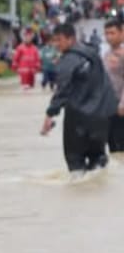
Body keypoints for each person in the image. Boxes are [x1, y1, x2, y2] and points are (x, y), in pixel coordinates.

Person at [41, 21, 118, 173]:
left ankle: (79, 194)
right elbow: (106, 83)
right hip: (100, 118)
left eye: (59, 40)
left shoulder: (68, 60)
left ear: (71, 39)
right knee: (99, 160)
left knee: (75, 162)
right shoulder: (93, 54)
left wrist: (50, 115)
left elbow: (62, 91)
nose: (56, 44)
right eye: (54, 40)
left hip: (78, 120)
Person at [102, 16, 124, 153]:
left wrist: (123, 103)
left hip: (121, 108)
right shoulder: (106, 53)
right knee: (113, 147)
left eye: (112, 33)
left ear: (122, 33)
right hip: (109, 107)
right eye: (106, 33)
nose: (109, 37)